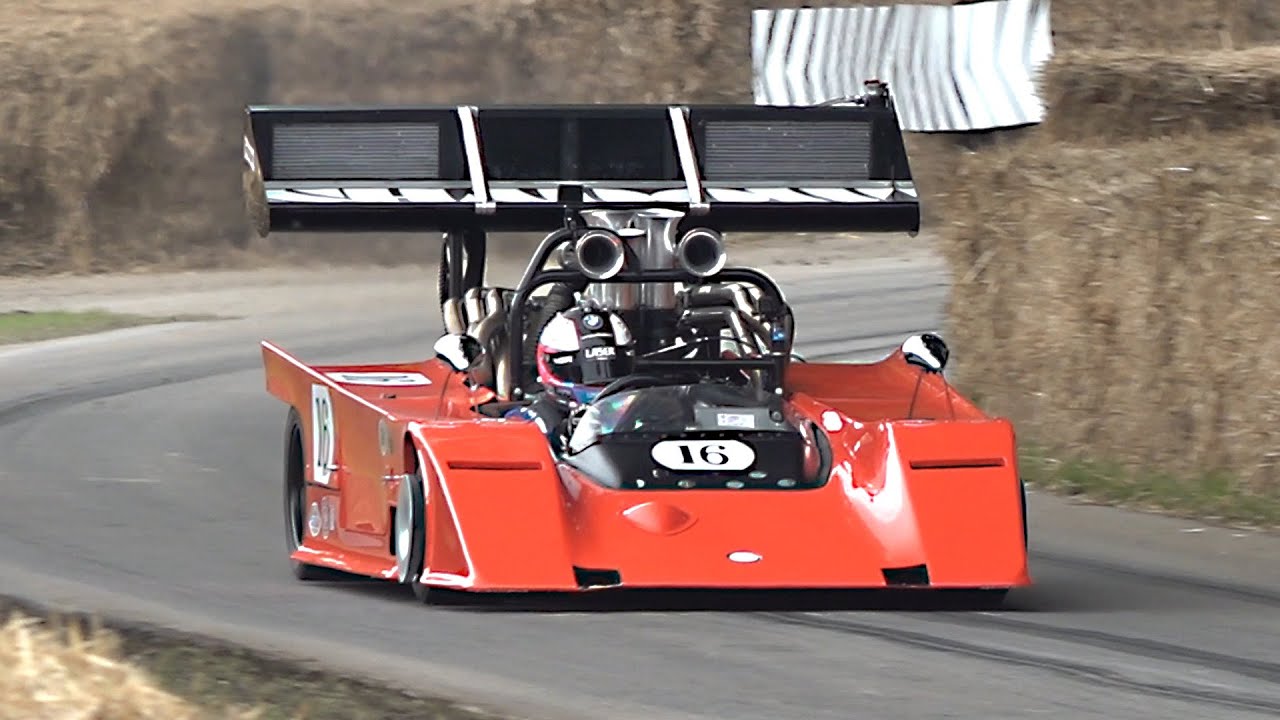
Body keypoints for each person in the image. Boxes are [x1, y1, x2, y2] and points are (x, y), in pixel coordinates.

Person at [506, 297, 637, 451]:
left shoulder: (637, 415)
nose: (598, 384)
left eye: (612, 366)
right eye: (580, 370)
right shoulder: (530, 423)